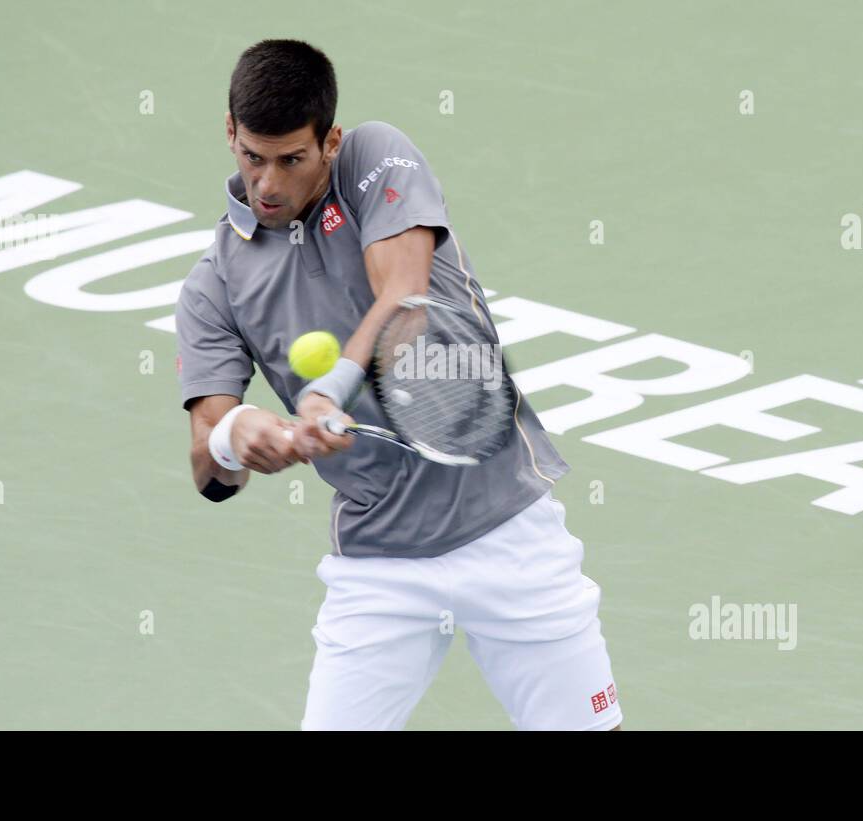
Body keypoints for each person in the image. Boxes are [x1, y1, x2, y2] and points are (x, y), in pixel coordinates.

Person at [176, 39, 622, 730]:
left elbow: (406, 299)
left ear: (330, 142)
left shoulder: (375, 157)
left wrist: (330, 389)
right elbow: (209, 469)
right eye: (253, 157)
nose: (268, 184)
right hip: (377, 566)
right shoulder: (213, 287)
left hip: (507, 528)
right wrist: (238, 436)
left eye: (292, 160)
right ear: (230, 132)